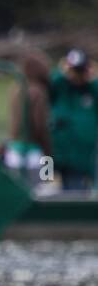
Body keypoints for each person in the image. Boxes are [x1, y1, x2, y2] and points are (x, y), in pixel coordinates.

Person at [48, 49, 98, 190]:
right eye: (74, 71)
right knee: (44, 189)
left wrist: (92, 78)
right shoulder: (60, 86)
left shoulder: (91, 90)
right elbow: (49, 85)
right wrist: (62, 72)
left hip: (80, 159)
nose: (76, 75)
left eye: (79, 71)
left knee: (75, 192)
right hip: (52, 157)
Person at [6, 51, 53, 179]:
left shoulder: (16, 89)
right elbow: (40, 126)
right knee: (38, 193)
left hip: (13, 152)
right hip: (33, 154)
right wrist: (48, 153)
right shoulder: (38, 92)